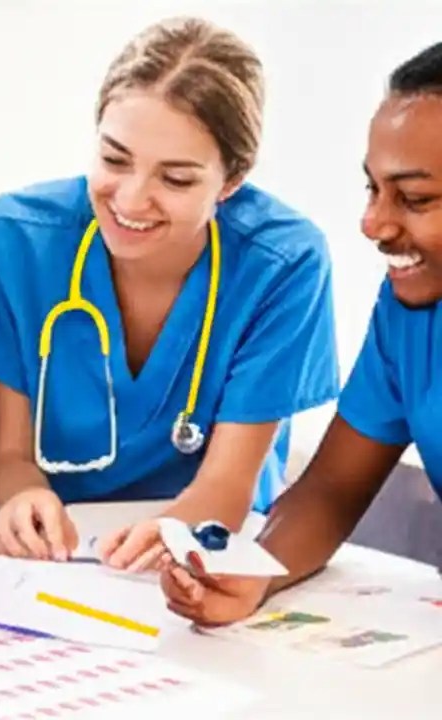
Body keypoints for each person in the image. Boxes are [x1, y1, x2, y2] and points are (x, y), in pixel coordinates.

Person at [0, 17, 340, 571]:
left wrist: (167, 533)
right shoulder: (18, 239)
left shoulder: (283, 265)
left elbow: (226, 488)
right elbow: (8, 454)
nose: (131, 199)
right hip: (59, 559)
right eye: (114, 159)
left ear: (232, 181)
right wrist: (25, 498)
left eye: (176, 179)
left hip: (205, 554)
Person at [161, 40, 442, 624]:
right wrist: (254, 572)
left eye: (415, 198)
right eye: (373, 189)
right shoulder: (410, 315)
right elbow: (331, 490)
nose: (374, 224)